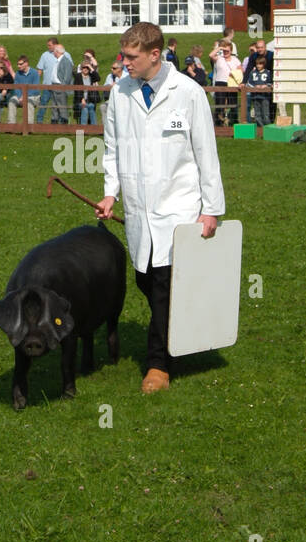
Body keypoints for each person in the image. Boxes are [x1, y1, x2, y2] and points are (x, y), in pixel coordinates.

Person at [95, 22, 226, 394]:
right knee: (146, 280)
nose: (124, 64)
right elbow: (112, 149)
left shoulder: (187, 93)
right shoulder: (120, 93)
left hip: (180, 206)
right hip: (140, 207)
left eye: (131, 57)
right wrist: (110, 193)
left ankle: (158, 364)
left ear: (156, 54)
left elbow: (206, 153)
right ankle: (185, 336)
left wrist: (211, 208)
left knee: (166, 286)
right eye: (123, 56)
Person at [35, 38, 59, 123]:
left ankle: (56, 122)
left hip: (59, 85)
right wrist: (36, 82)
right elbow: (40, 69)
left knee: (57, 105)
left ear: (55, 45)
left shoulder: (65, 54)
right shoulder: (45, 55)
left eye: (49, 45)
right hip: (47, 85)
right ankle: (39, 122)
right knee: (43, 104)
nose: (48, 47)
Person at [11, 54, 39, 124]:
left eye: (20, 64)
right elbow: (16, 87)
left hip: (33, 96)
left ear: (26, 63)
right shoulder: (17, 73)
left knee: (29, 102)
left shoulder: (34, 73)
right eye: (18, 64)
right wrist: (20, 96)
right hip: (20, 96)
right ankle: (11, 125)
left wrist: (24, 96)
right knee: (12, 101)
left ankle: (29, 126)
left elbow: (35, 88)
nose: (18, 66)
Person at [247, 53, 272, 127]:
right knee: (257, 115)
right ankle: (261, 129)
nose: (258, 66)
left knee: (266, 114)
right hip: (255, 97)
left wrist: (265, 86)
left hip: (265, 97)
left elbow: (270, 83)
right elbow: (249, 83)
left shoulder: (268, 72)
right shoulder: (253, 73)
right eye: (257, 64)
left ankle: (268, 129)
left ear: (264, 64)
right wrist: (255, 86)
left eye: (260, 64)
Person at [76, 60, 101, 126]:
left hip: (90, 100)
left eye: (87, 68)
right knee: (85, 109)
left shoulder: (91, 76)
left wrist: (91, 67)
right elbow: (77, 90)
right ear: (81, 68)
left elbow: (98, 78)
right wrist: (82, 99)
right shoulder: (78, 76)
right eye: (84, 67)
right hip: (80, 100)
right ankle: (83, 129)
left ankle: (94, 128)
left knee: (91, 106)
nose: (86, 69)